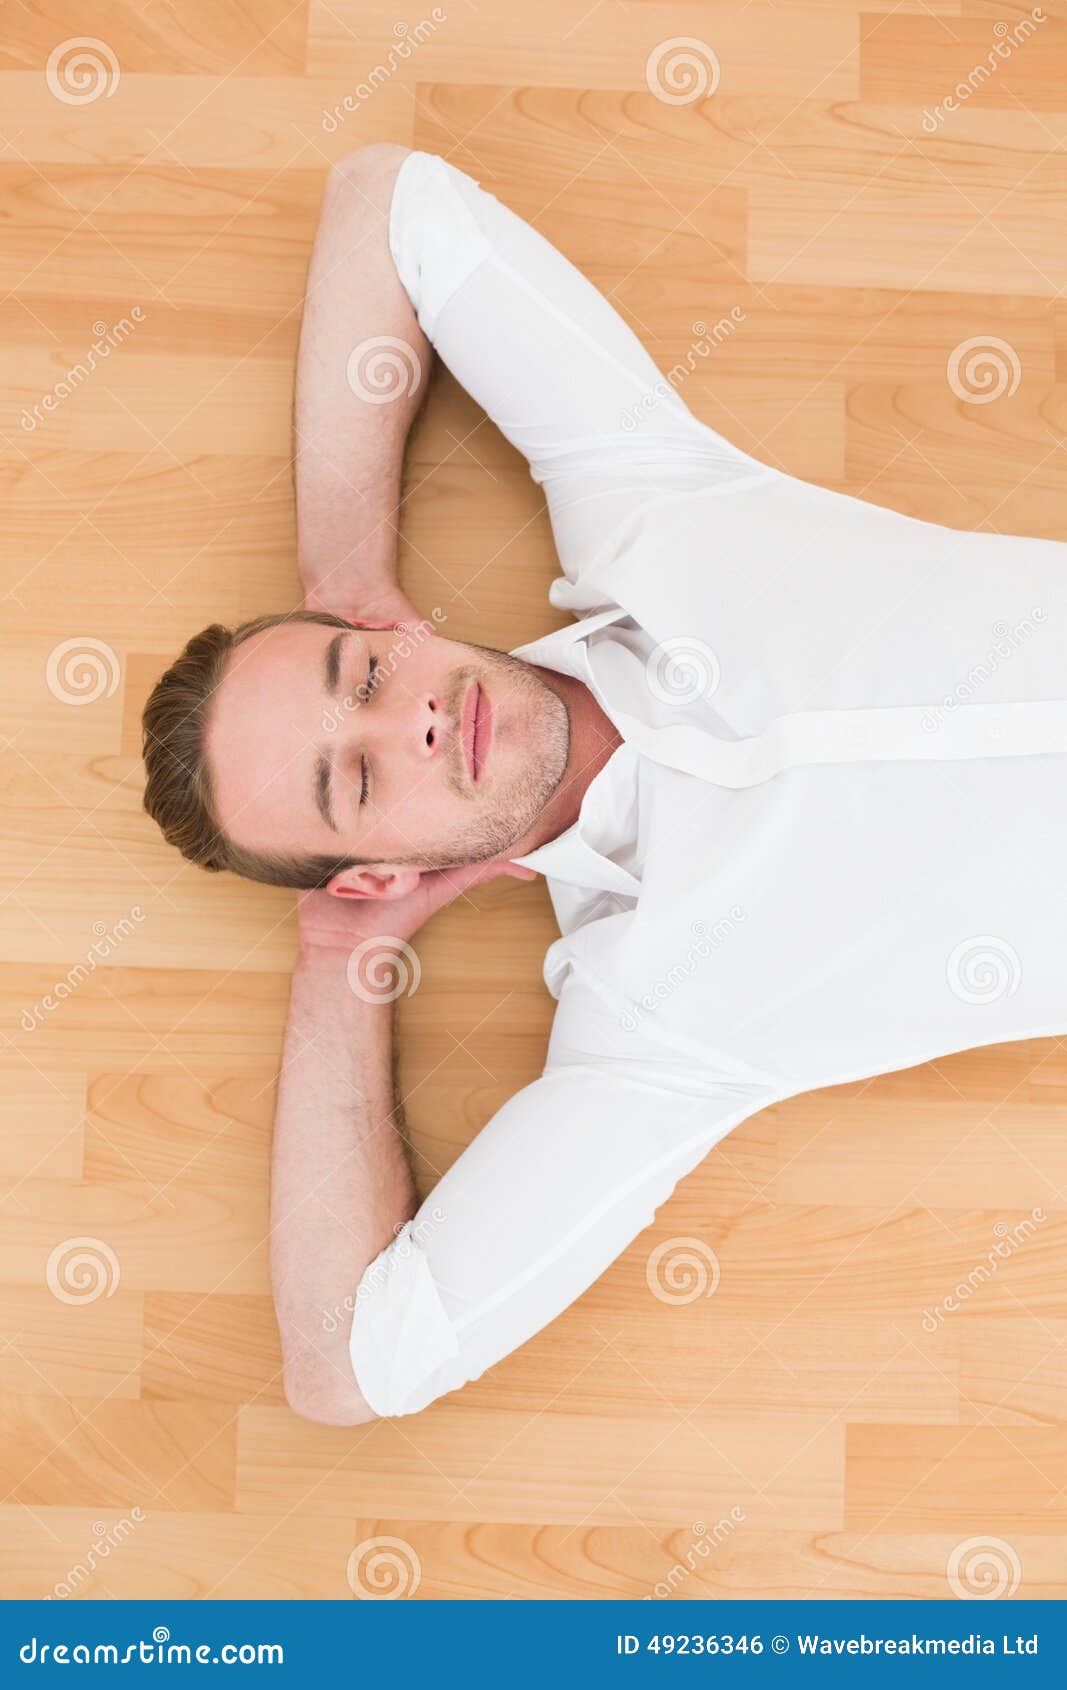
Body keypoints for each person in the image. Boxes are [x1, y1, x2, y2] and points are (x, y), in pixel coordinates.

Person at [142, 145, 1067, 1423]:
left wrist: (344, 571)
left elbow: (386, 206)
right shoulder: (651, 1033)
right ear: (372, 867)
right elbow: (352, 1366)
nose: (405, 724)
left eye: (362, 677)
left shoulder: (648, 509)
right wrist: (336, 956)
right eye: (350, 782)